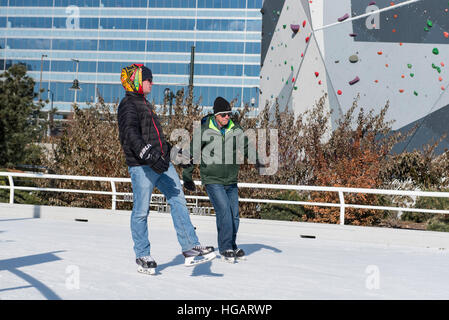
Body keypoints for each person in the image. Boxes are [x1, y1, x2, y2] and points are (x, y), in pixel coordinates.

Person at [117, 63, 215, 275]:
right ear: (135, 81)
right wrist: (149, 155)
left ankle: (190, 247)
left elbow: (159, 141)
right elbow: (129, 135)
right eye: (148, 79)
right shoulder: (128, 105)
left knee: (177, 198)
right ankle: (143, 254)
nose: (152, 83)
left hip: (161, 163)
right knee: (141, 211)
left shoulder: (145, 104)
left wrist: (178, 156)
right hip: (142, 166)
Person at [182, 97, 263, 263]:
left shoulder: (236, 129)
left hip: (231, 179)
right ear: (216, 115)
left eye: (229, 114)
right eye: (224, 115)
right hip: (212, 179)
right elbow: (191, 154)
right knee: (224, 210)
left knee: (234, 215)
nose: (227, 117)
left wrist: (256, 159)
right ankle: (225, 246)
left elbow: (246, 147)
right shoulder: (204, 131)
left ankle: (232, 245)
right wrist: (187, 177)